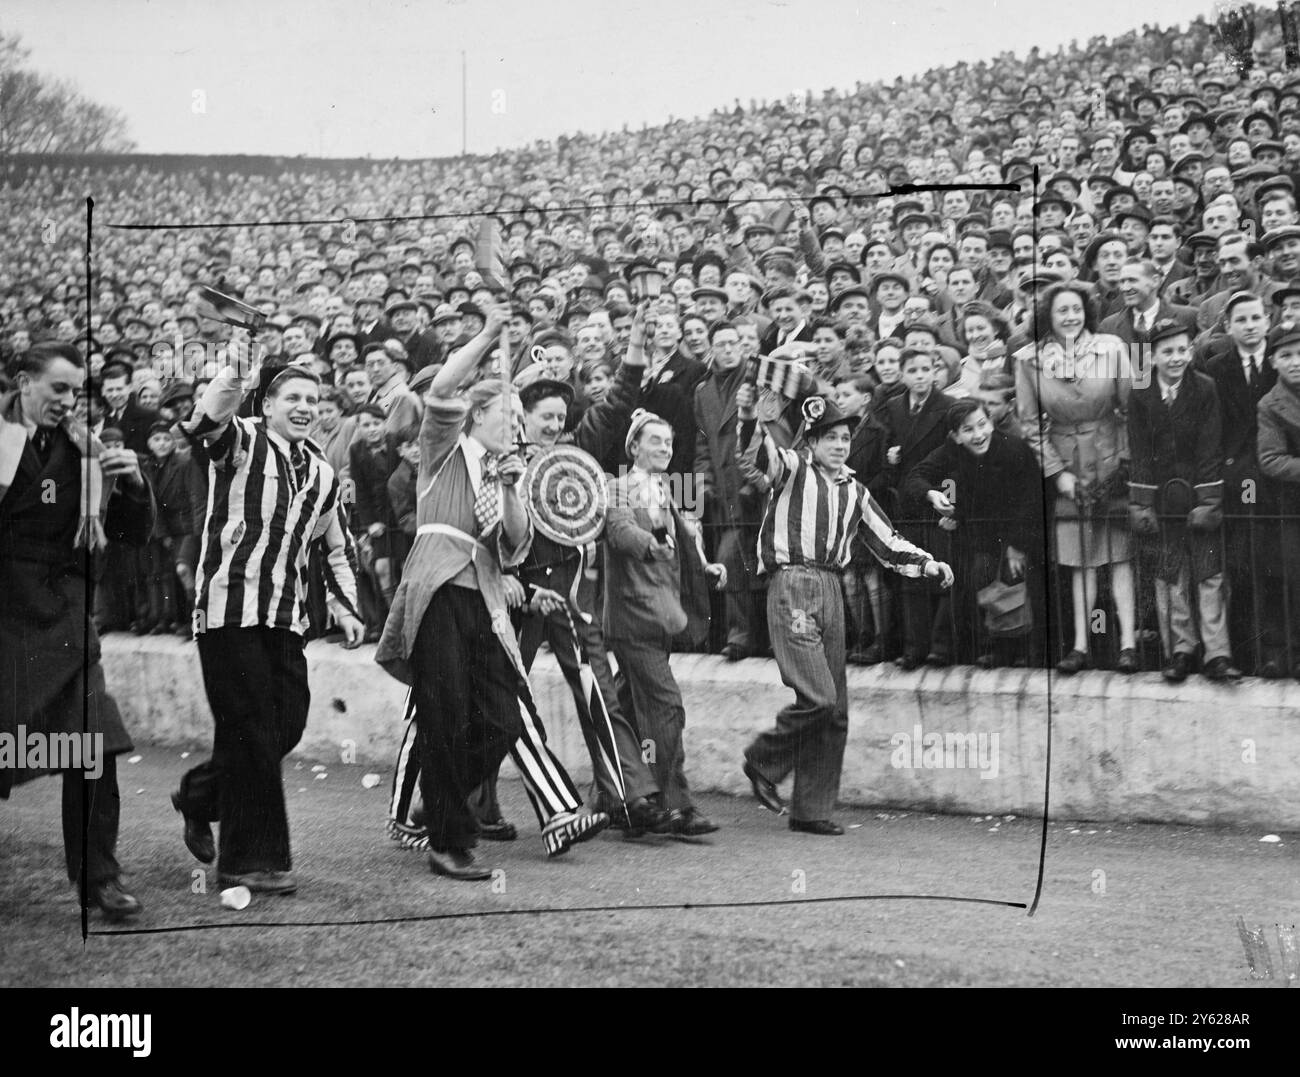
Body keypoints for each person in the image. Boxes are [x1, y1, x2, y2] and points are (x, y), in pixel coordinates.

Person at [375, 303, 608, 880]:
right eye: (504, 412)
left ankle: (442, 794)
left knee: (503, 715)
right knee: (445, 711)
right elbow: (449, 381)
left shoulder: (507, 467)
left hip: (484, 593)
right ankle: (450, 841)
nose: (513, 421)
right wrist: (488, 335)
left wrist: (509, 490)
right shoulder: (442, 448)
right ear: (475, 415)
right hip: (436, 587)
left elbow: (514, 543)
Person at [171, 360, 365, 895]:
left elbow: (335, 546)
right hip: (229, 612)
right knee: (250, 727)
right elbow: (209, 416)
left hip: (285, 617)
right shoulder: (239, 443)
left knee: (287, 724)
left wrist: (346, 607)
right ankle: (244, 862)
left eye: (312, 400)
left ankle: (200, 795)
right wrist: (237, 365)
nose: (304, 408)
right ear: (267, 405)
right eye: (292, 399)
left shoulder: (323, 472)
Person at [736, 388, 953, 835]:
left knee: (834, 711)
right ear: (810, 444)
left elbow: (887, 542)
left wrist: (927, 563)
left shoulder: (855, 491)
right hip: (793, 585)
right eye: (828, 437)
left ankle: (812, 810)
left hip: (833, 588)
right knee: (818, 696)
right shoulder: (794, 469)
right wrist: (751, 417)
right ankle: (763, 760)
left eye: (843, 437)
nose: (838, 444)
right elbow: (759, 457)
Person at [1, 342, 154, 919]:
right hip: (5, 614)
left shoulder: (87, 452)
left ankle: (100, 878)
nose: (69, 401)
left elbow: (131, 536)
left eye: (76, 391)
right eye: (58, 388)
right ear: (23, 383)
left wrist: (133, 484)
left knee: (95, 744)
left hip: (64, 617)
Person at [604, 409, 727, 835]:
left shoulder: (669, 490)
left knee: (628, 709)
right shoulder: (617, 487)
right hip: (632, 618)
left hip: (663, 618)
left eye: (669, 442)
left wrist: (705, 567)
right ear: (634, 446)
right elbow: (619, 532)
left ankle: (612, 799)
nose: (664, 448)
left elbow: (684, 542)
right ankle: (676, 806)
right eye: (655, 441)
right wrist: (649, 546)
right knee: (666, 708)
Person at [1017, 282, 1139, 674]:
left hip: (1110, 460)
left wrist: (1123, 462)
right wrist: (1058, 474)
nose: (1070, 317)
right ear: (1047, 317)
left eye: (1076, 309)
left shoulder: (1113, 348)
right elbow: (1030, 425)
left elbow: (1131, 408)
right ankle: (1081, 646)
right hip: (1067, 464)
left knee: (1120, 555)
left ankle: (1128, 643)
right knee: (1079, 559)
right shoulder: (1028, 360)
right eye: (1061, 311)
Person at [1126, 320, 1238, 683]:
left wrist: (1208, 500)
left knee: (1209, 573)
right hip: (1161, 495)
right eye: (1167, 351)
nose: (1176, 358)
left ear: (1190, 351)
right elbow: (1140, 450)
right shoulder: (1141, 391)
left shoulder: (1204, 387)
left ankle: (1217, 653)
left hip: (1198, 487)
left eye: (1182, 350)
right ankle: (1181, 649)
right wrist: (1142, 503)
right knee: (1169, 574)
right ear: (1153, 355)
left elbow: (1211, 445)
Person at [903, 399, 1044, 667]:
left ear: (990, 422)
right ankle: (994, 648)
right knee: (981, 581)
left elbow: (1031, 500)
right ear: (955, 436)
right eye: (968, 430)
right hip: (982, 533)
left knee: (1019, 584)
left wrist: (1017, 545)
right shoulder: (951, 451)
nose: (978, 435)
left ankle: (1026, 652)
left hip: (1020, 531)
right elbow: (916, 476)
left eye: (982, 425)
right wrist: (933, 495)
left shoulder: (1014, 448)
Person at [1256, 321, 1300, 680]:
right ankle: (1288, 654)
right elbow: (1270, 460)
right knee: (1291, 579)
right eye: (1286, 355)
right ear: (1273, 362)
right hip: (1291, 505)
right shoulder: (1270, 405)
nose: (1296, 362)